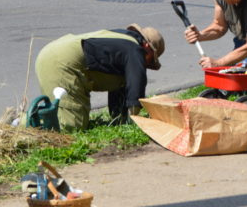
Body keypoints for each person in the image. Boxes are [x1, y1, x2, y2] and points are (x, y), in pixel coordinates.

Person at [34, 24, 164, 130]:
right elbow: (136, 85)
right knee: (71, 126)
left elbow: (124, 84)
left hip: (51, 53)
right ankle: (21, 122)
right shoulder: (135, 50)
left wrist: (119, 118)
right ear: (147, 47)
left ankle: (29, 119)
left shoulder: (121, 39)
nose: (146, 65)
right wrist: (135, 120)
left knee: (56, 111)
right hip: (62, 63)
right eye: (150, 61)